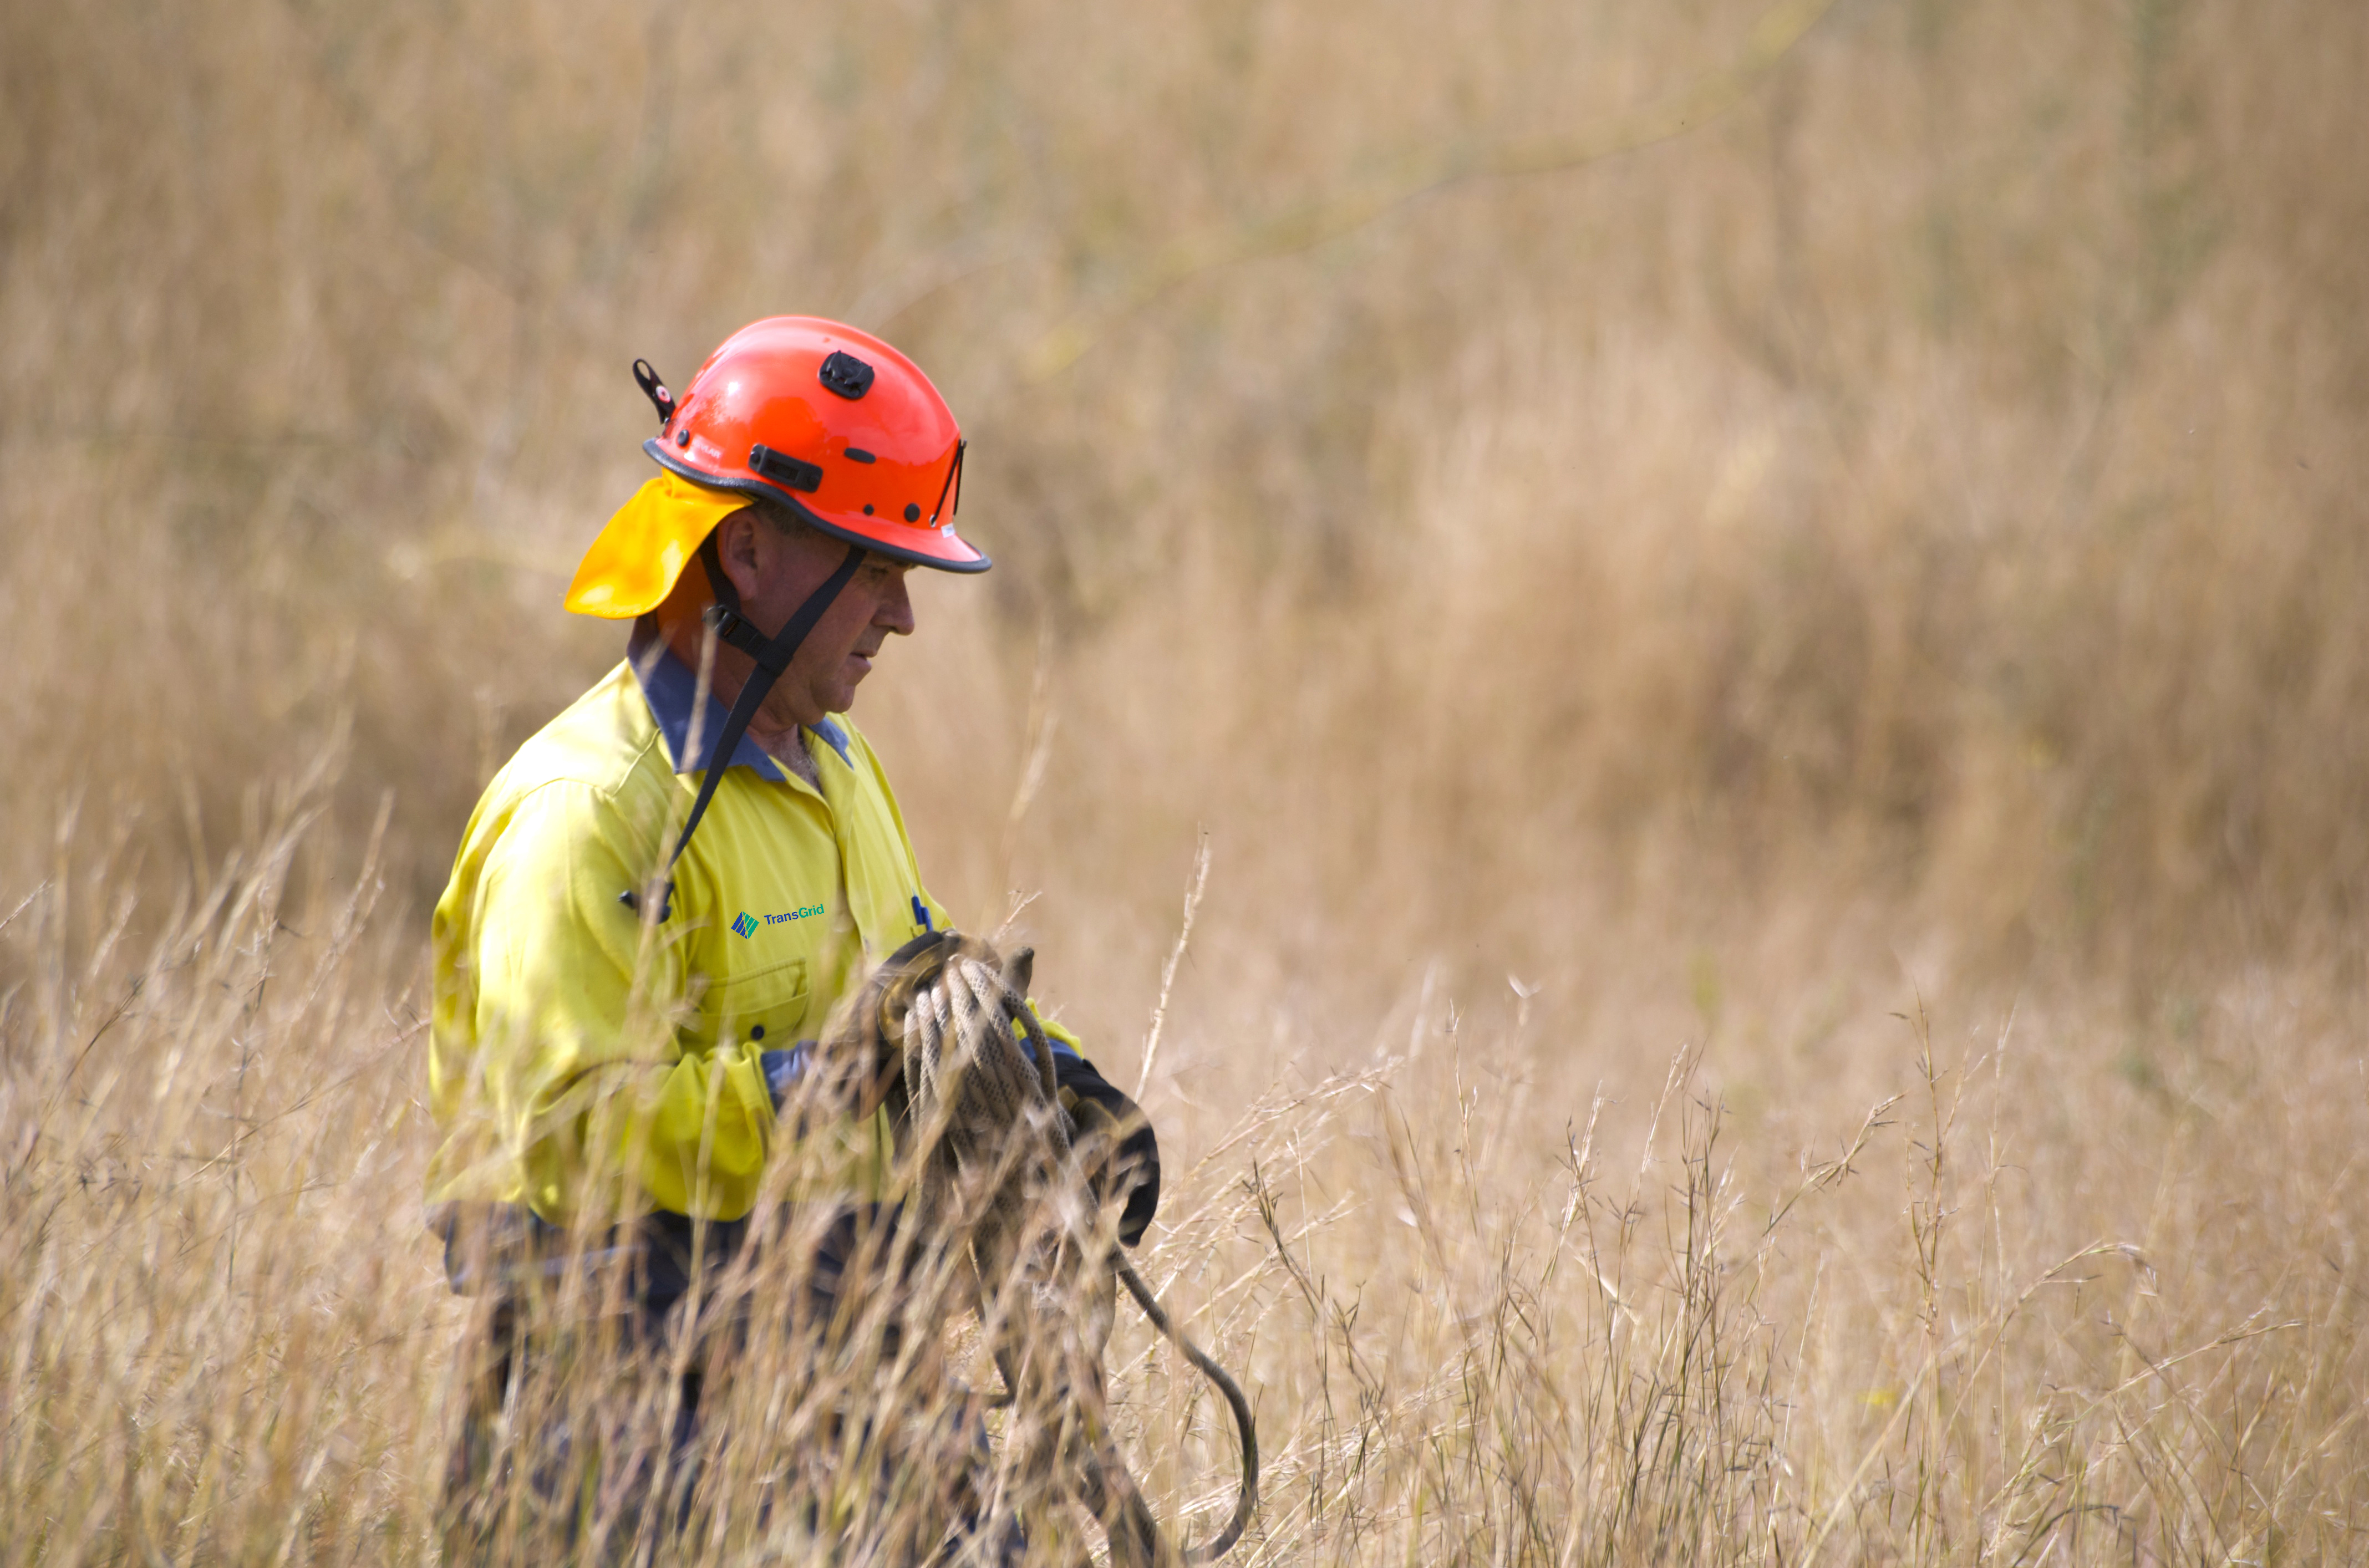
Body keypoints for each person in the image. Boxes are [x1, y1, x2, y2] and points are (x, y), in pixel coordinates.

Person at [423, 316, 1157, 1556]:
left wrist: (1061, 1087)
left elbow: (926, 984)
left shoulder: (833, 767)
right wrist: (814, 1089)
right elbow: (564, 1130)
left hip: (853, 1375)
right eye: (873, 567)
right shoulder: (587, 818)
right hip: (629, 1422)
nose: (904, 616)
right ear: (749, 553)